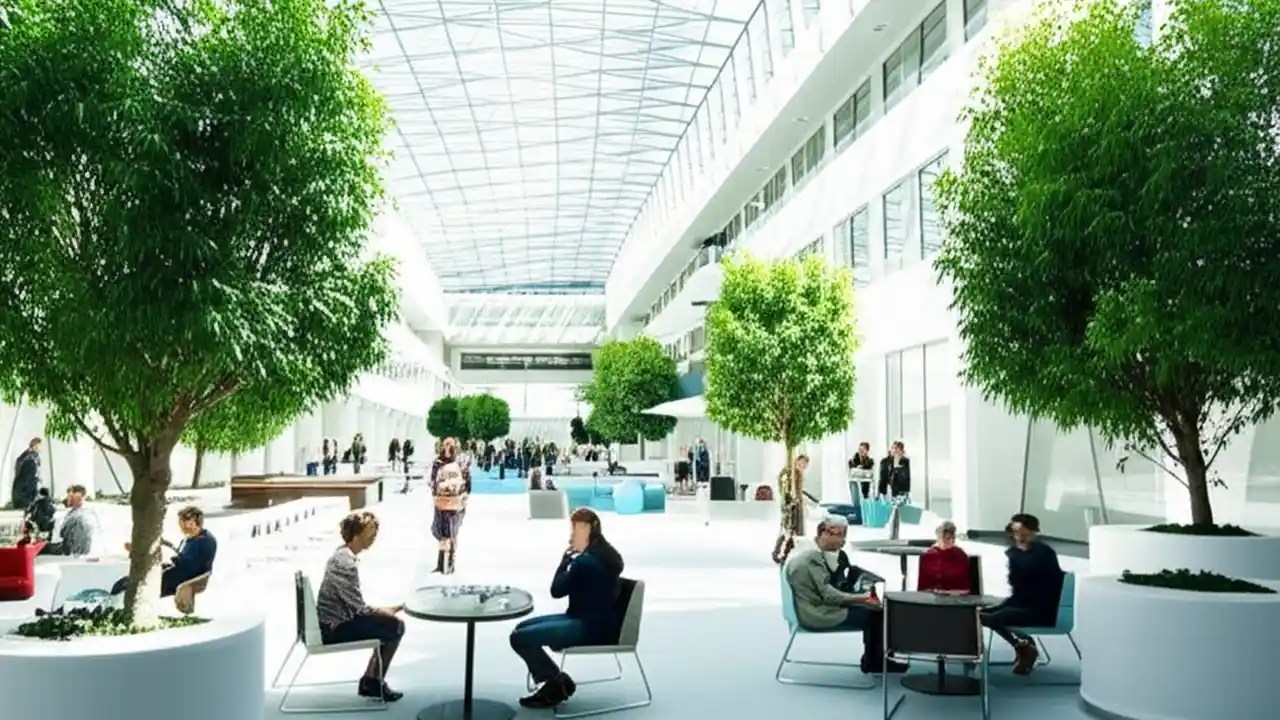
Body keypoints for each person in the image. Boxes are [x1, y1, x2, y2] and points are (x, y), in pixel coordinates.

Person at [510, 508, 625, 709]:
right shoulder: (607, 555)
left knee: (518, 637)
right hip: (600, 622)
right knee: (521, 629)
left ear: (586, 529)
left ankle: (555, 684)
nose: (572, 536)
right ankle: (558, 681)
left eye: (575, 530)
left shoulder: (584, 562)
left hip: (588, 627)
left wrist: (564, 562)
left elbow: (556, 590)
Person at [785, 515, 906, 673]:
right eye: (840, 535)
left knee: (872, 611)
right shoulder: (811, 558)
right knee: (877, 614)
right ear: (825, 533)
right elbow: (829, 595)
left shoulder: (807, 552)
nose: (843, 541)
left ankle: (873, 659)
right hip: (817, 614)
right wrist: (862, 598)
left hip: (811, 606)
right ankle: (875, 662)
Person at [315, 511, 405, 702]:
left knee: (387, 623)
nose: (374, 536)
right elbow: (359, 609)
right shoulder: (344, 562)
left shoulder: (343, 555)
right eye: (370, 531)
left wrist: (384, 612)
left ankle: (370, 680)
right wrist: (387, 610)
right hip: (333, 628)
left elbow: (355, 606)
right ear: (356, 534)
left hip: (335, 622)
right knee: (395, 626)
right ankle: (374, 683)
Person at [981, 513, 1064, 675]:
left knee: (994, 617)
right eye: (1017, 533)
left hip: (1041, 610)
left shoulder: (1044, 553)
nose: (1020, 537)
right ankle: (1024, 645)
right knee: (980, 614)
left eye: (1025, 533)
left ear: (1034, 532)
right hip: (1021, 604)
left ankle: (1022, 647)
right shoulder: (1014, 554)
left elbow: (1048, 586)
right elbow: (1017, 588)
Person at [110, 505, 217, 597]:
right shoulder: (196, 537)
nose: (183, 527)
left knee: (129, 584)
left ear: (197, 523)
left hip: (180, 581)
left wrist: (161, 556)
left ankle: (116, 603)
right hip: (178, 575)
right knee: (128, 581)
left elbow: (186, 564)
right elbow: (183, 558)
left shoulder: (204, 542)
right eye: (181, 523)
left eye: (187, 524)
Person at [430, 437, 470, 574]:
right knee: (440, 532)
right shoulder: (438, 463)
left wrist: (464, 495)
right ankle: (441, 563)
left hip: (456, 502)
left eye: (450, 446)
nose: (447, 448)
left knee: (453, 532)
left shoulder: (460, 463)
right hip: (441, 501)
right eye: (445, 445)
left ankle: (451, 562)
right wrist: (435, 492)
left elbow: (467, 481)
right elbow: (433, 480)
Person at [40, 485, 96, 556]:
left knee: (41, 548)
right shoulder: (86, 512)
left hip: (71, 551)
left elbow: (63, 535)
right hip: (82, 549)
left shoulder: (76, 515)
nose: (68, 499)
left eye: (70, 497)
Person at [918, 521, 971, 594]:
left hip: (956, 597)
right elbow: (923, 588)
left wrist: (949, 593)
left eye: (947, 538)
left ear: (953, 538)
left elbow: (965, 588)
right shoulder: (928, 555)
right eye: (941, 538)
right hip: (932, 597)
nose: (943, 541)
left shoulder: (961, 556)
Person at [10, 437, 42, 511]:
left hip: (20, 495)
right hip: (26, 496)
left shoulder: (25, 456)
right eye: (40, 445)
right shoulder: (31, 458)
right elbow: (31, 480)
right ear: (35, 446)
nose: (41, 448)